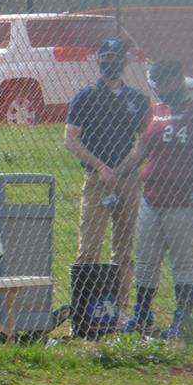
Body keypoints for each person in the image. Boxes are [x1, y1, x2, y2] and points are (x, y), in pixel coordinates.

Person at [124, 59, 193, 339]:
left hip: (188, 198)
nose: (159, 90)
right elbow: (142, 149)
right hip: (153, 197)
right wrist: (118, 172)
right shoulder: (156, 110)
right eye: (155, 85)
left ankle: (181, 319)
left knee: (184, 261)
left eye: (164, 84)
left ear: (177, 79)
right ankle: (142, 314)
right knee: (146, 259)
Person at [65, 37, 150, 321]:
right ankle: (83, 311)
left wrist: (124, 168)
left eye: (117, 58)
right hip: (96, 179)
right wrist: (101, 167)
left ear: (125, 62)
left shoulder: (137, 99)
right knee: (89, 248)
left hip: (127, 180)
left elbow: (144, 142)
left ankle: (120, 310)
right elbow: (71, 140)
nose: (111, 63)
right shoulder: (85, 96)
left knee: (123, 250)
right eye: (106, 58)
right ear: (98, 60)